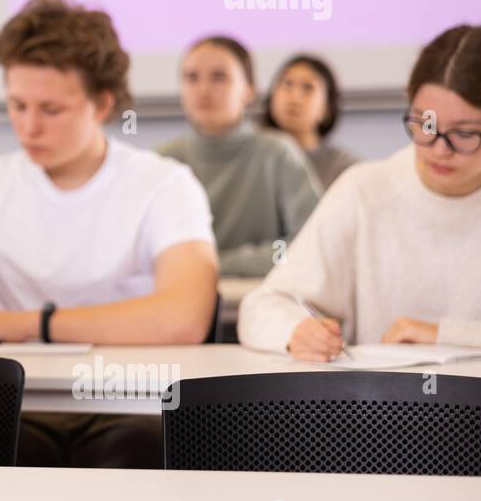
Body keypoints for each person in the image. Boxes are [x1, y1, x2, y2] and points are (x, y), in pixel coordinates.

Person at [0, 0, 218, 468]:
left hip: (133, 405)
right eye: (17, 104)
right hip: (24, 405)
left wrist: (28, 324)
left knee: (129, 455)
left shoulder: (163, 185)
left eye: (51, 109)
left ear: (102, 103)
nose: (29, 126)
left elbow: (185, 316)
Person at [240, 25, 481, 359]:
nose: (440, 149)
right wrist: (296, 331)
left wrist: (445, 335)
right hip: (381, 406)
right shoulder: (365, 191)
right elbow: (262, 306)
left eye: (465, 134)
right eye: (424, 124)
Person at [157, 35, 322, 276]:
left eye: (219, 77)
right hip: (178, 301)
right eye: (191, 78)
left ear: (249, 90)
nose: (203, 90)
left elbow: (311, 243)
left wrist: (219, 264)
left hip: (261, 300)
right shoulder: (162, 162)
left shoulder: (278, 154)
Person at [262, 54, 359, 189]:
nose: (294, 98)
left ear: (326, 108)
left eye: (308, 87)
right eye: (287, 84)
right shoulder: (253, 157)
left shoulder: (343, 168)